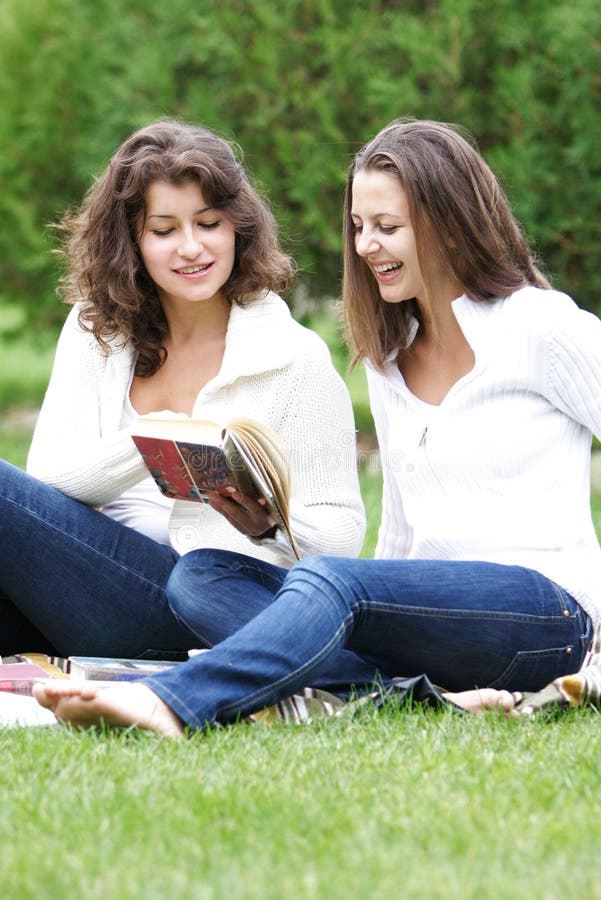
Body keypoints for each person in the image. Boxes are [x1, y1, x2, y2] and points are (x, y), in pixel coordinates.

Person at [34, 118, 601, 734]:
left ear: (451, 222)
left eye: (387, 228)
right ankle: (400, 694)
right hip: (435, 620)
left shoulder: (542, 329)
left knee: (330, 580)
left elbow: (346, 567)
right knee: (203, 575)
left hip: (546, 611)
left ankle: (172, 700)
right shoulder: (391, 357)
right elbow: (400, 536)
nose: (364, 246)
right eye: (358, 227)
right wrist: (271, 523)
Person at [1, 118, 366, 661]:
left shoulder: (294, 358)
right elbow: (49, 479)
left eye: (208, 222)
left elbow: (344, 536)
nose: (191, 248)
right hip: (90, 589)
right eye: (164, 230)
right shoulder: (95, 329)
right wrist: (149, 442)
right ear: (132, 242)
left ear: (237, 227)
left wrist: (268, 527)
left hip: (200, 604)